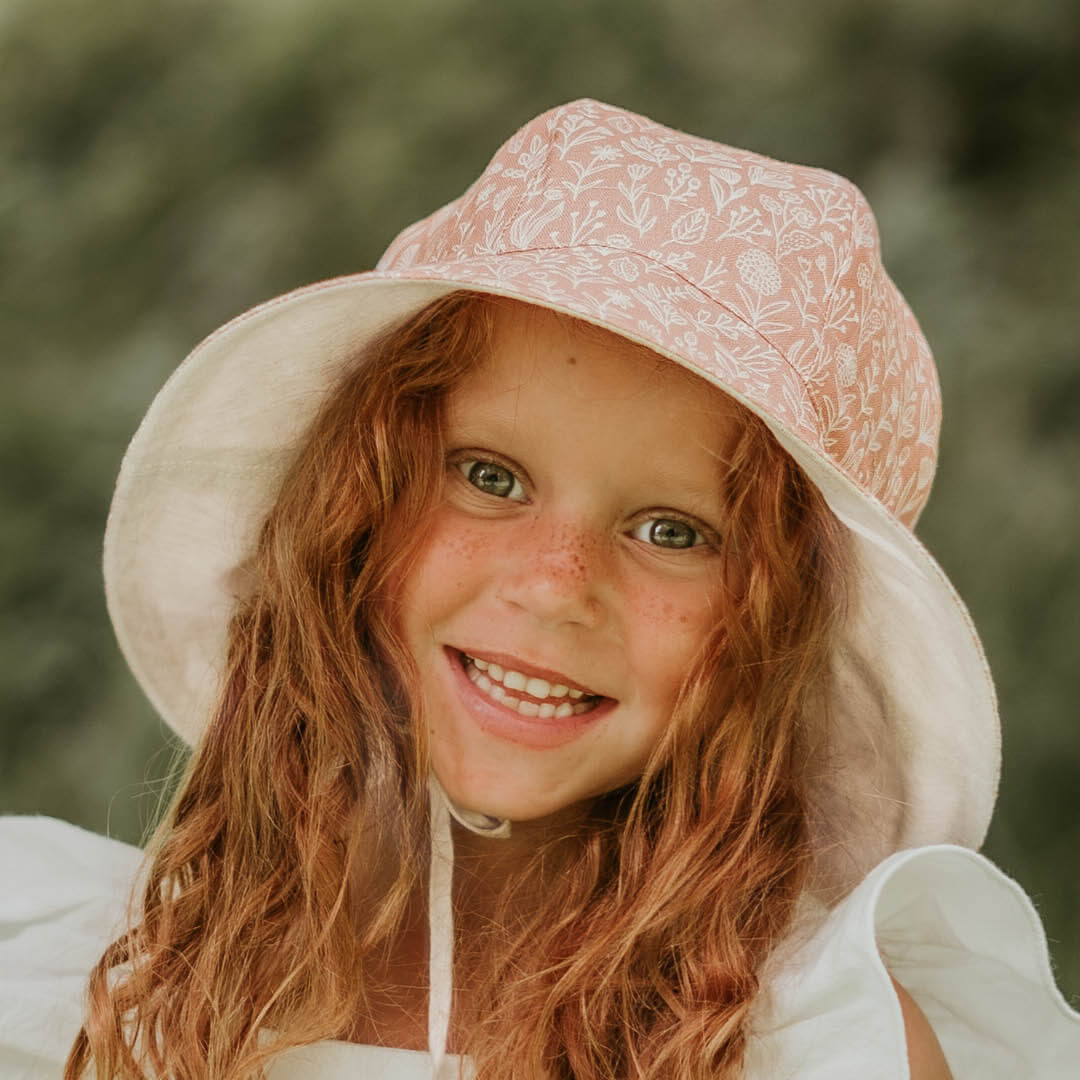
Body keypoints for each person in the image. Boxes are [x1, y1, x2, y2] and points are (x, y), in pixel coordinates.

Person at [1, 99, 1076, 1079]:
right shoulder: (81, 987)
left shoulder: (827, 1045)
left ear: (775, 628)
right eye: (489, 476)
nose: (557, 587)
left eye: (673, 531)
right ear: (355, 507)